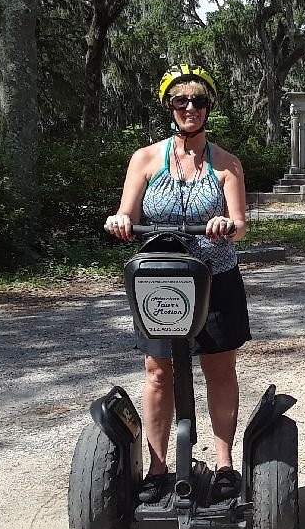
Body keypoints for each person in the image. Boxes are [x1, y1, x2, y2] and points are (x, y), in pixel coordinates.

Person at [104, 64, 250, 503]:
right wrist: (121, 221)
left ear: (209, 108)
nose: (190, 108)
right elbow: (126, 211)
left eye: (199, 101)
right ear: (169, 107)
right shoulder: (145, 160)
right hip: (162, 283)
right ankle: (158, 467)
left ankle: (224, 465)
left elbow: (241, 224)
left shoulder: (226, 165)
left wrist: (226, 225)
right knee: (157, 373)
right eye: (181, 101)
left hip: (215, 279)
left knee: (219, 368)